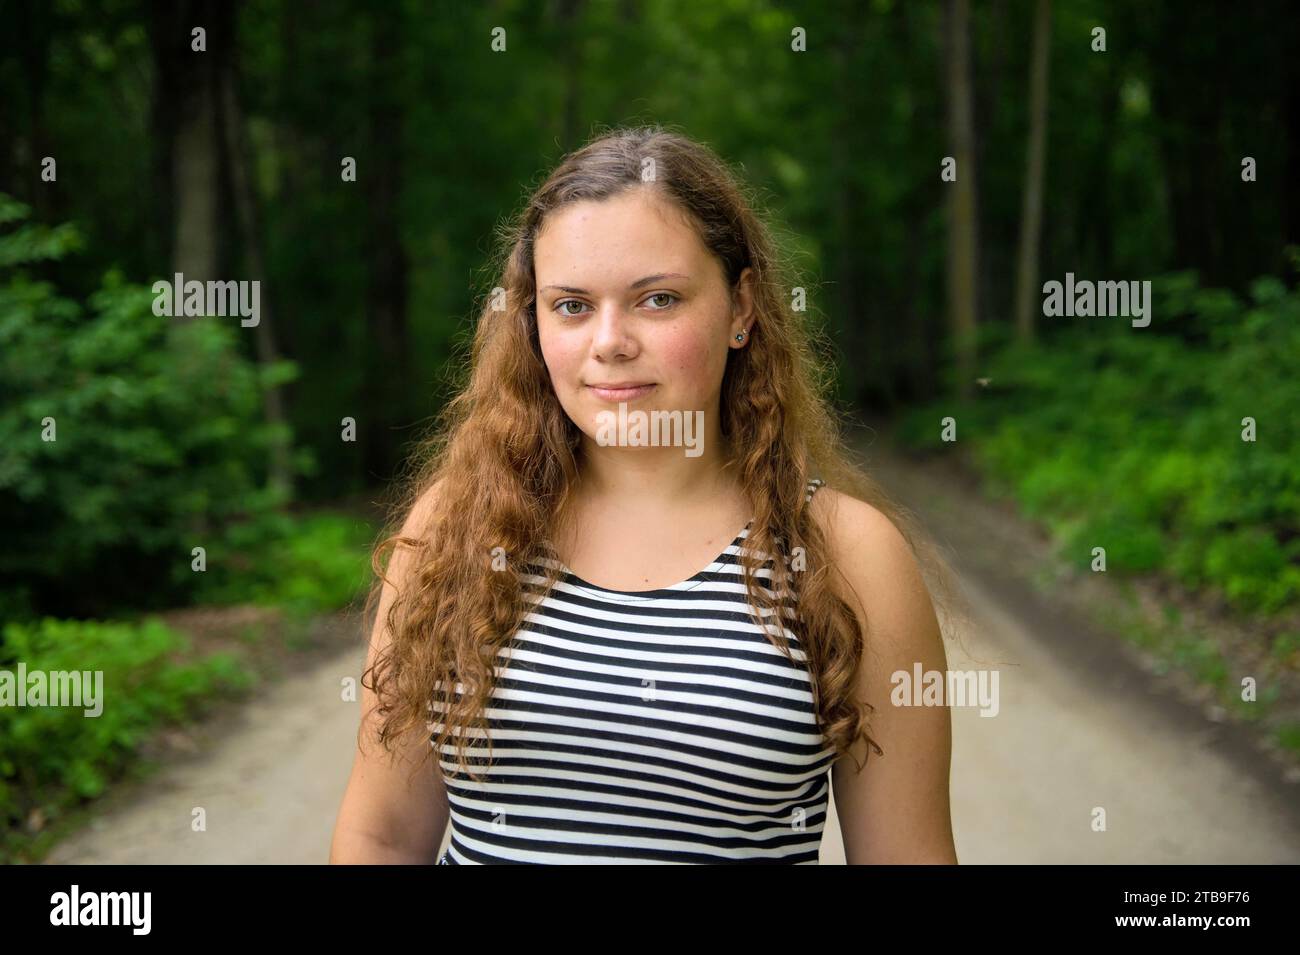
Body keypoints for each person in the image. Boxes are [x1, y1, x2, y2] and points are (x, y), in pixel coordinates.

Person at [329, 125, 960, 865]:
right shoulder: (458, 524)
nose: (610, 341)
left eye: (656, 299)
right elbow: (381, 835)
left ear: (742, 308)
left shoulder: (849, 554)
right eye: (570, 305)